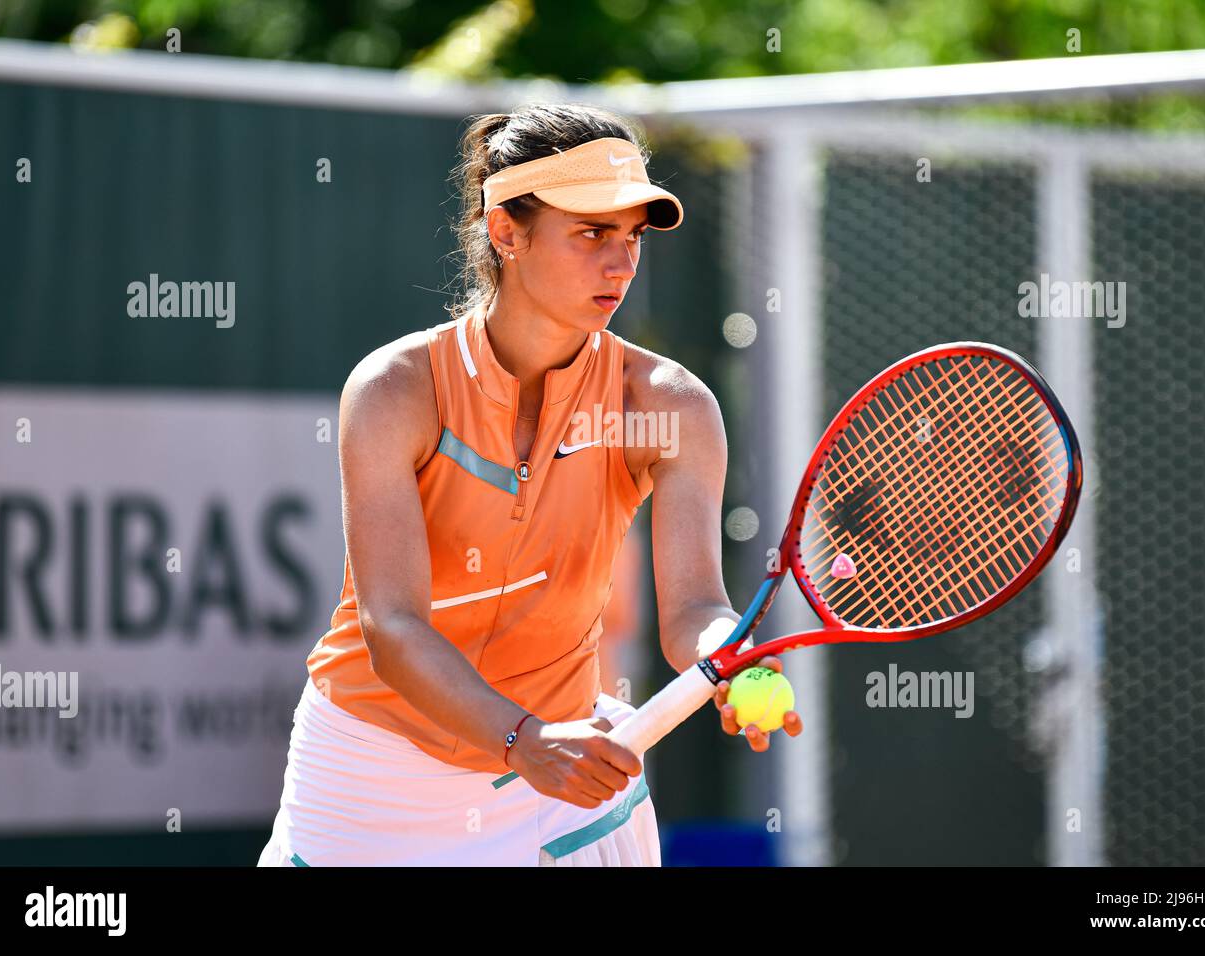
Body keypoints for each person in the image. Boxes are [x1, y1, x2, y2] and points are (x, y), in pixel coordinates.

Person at [258, 103, 802, 867]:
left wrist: (734, 655)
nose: (619, 264)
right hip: (372, 774)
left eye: (632, 237)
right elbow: (393, 625)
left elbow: (696, 610)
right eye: (590, 233)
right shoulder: (396, 391)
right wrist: (523, 739)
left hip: (561, 768)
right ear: (507, 234)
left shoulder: (665, 407)